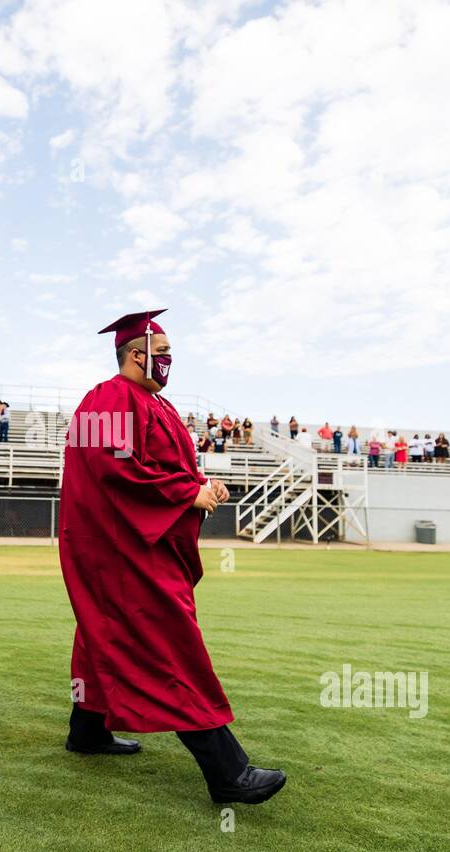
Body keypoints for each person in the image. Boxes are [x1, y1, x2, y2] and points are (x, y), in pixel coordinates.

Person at [60, 309, 284, 805]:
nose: (169, 361)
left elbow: (164, 467)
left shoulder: (156, 404)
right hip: (123, 551)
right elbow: (113, 471)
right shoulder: (108, 398)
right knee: (168, 644)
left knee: (102, 631)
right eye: (162, 353)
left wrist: (202, 485)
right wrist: (186, 494)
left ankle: (88, 731)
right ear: (135, 354)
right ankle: (227, 771)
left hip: (141, 546)